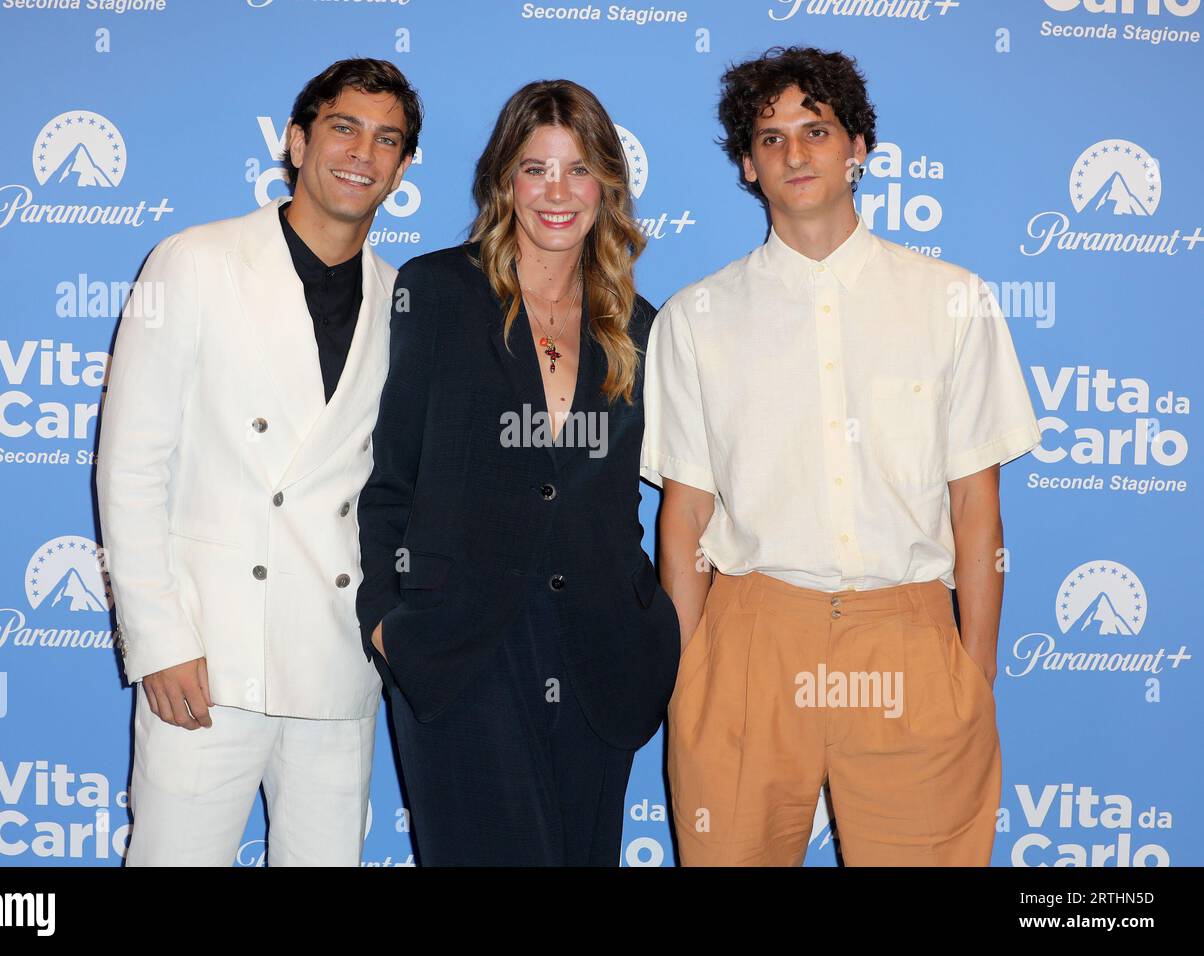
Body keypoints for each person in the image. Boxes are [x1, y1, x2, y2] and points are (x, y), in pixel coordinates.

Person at [644, 46, 1041, 866]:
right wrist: (689, 681)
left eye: (816, 130)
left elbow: (977, 504)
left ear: (858, 147)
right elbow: (684, 517)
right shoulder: (696, 318)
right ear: (748, 167)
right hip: (749, 638)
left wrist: (973, 677)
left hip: (909, 637)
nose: (795, 152)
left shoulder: (950, 301)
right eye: (771, 137)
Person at [96, 58, 422, 866]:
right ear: (297, 140)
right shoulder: (195, 261)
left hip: (337, 663)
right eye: (344, 127)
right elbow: (130, 463)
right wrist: (159, 637)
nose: (362, 153)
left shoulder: (402, 298)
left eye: (387, 140)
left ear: (403, 168)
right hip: (207, 657)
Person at [356, 79, 680, 866]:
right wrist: (388, 624)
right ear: (506, 181)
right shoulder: (436, 292)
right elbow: (390, 476)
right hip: (462, 648)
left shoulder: (639, 325)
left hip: (597, 652)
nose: (557, 193)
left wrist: (654, 627)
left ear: (607, 183)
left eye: (577, 170)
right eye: (536, 169)